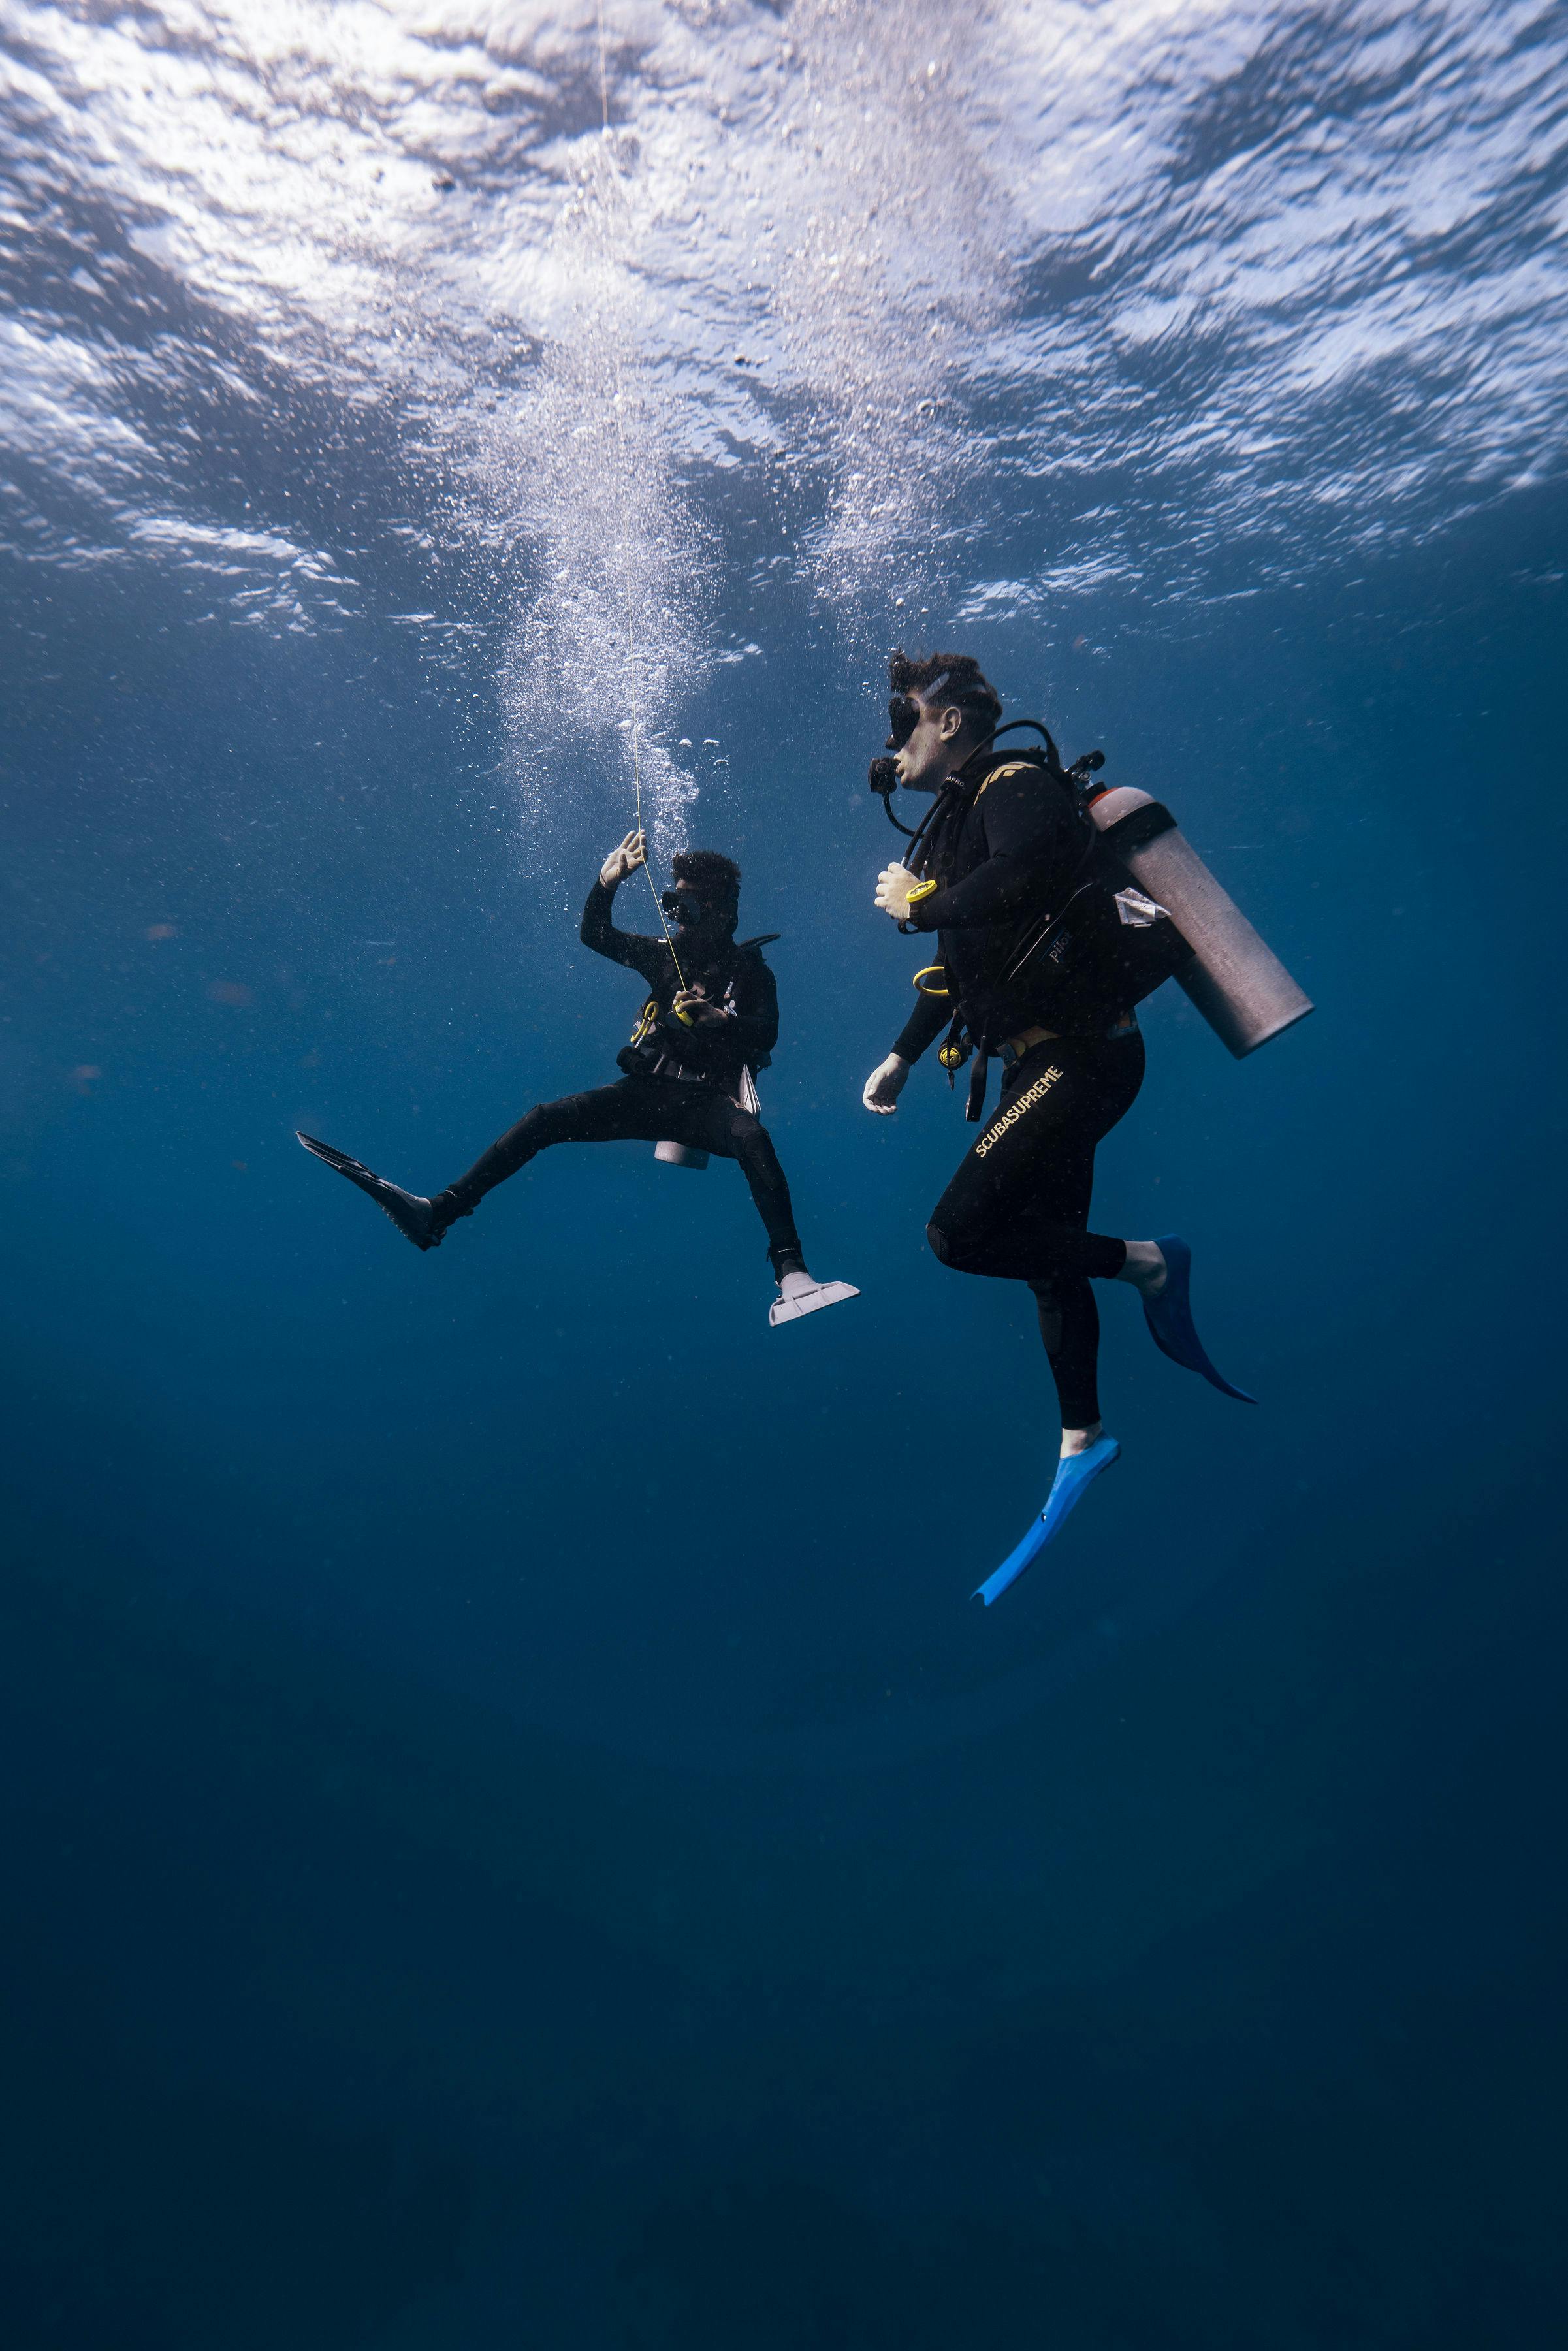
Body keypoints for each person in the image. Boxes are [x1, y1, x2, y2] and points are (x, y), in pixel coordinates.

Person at [861, 650, 1251, 1601]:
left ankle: (1151, 1263)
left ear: (946, 720)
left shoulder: (1017, 783)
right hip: (1047, 1057)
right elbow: (965, 961)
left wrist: (920, 910)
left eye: (899, 720)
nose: (890, 743)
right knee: (1044, 1254)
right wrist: (906, 1053)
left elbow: (1028, 881)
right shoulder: (959, 820)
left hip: (1083, 1056)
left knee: (958, 1235)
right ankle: (1082, 1439)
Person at [298, 832, 856, 1326]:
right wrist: (606, 882)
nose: (674, 917)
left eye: (684, 905)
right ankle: (436, 1213)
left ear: (719, 910)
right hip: (643, 1093)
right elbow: (595, 933)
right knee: (546, 1119)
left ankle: (793, 1277)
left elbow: (765, 1035)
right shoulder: (662, 958)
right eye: (671, 904)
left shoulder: (750, 971)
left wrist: (721, 1020)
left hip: (703, 1103)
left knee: (752, 1138)